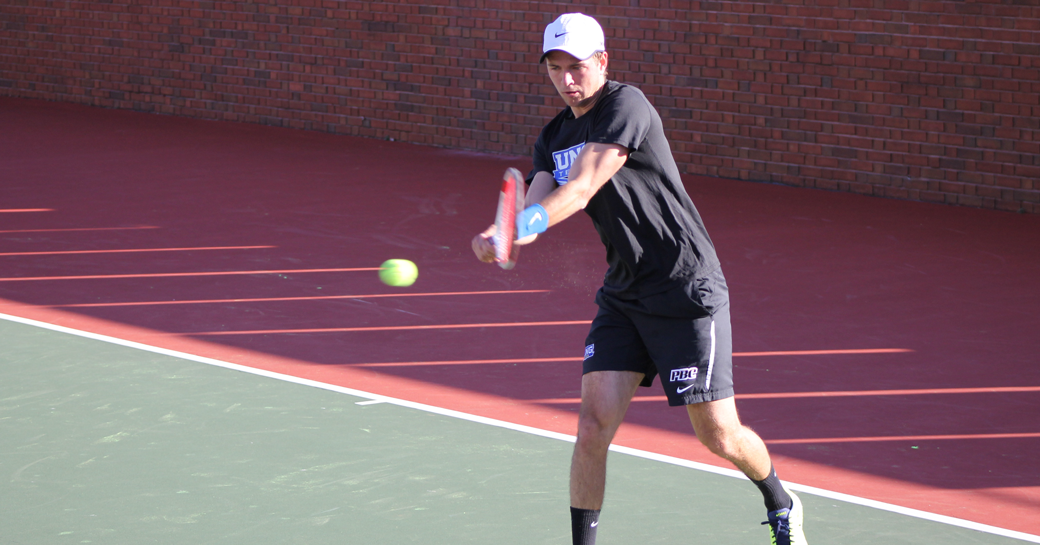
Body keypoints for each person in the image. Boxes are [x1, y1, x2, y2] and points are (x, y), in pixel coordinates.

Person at [471, 12, 807, 545]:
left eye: (576, 66)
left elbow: (581, 189)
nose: (566, 79)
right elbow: (534, 211)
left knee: (718, 434)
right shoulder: (553, 135)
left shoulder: (627, 106)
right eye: (555, 68)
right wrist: (503, 232)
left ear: (602, 61)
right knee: (591, 427)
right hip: (625, 293)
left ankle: (781, 501)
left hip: (685, 286)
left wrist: (524, 223)